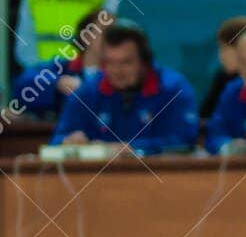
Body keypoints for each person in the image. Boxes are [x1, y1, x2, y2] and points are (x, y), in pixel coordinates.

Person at [50, 22, 198, 153]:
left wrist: (133, 149)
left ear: (145, 61)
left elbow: (184, 141)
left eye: (125, 62)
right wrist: (67, 142)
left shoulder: (173, 89)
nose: (116, 71)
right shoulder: (88, 92)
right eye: (109, 62)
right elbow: (57, 140)